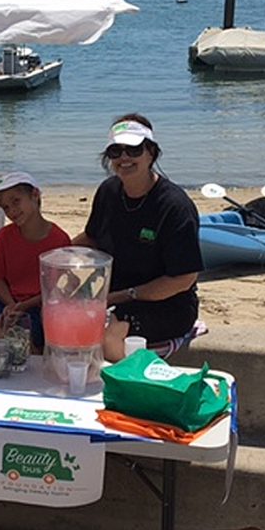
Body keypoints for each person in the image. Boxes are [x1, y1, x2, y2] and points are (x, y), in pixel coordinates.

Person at [73, 114, 203, 362]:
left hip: (168, 303)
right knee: (62, 315)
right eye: (116, 151)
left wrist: (123, 296)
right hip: (114, 293)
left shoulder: (175, 206)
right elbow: (91, 238)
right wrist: (54, 257)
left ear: (151, 153)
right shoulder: (108, 192)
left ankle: (120, 391)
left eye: (133, 149)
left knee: (109, 334)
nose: (124, 158)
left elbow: (184, 279)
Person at [0, 171, 71, 350]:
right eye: (6, 207)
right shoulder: (4, 236)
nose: (12, 211)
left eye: (16, 201)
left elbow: (56, 289)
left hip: (40, 304)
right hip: (7, 301)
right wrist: (12, 305)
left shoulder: (59, 240)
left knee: (33, 331)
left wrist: (23, 306)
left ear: (35, 195)